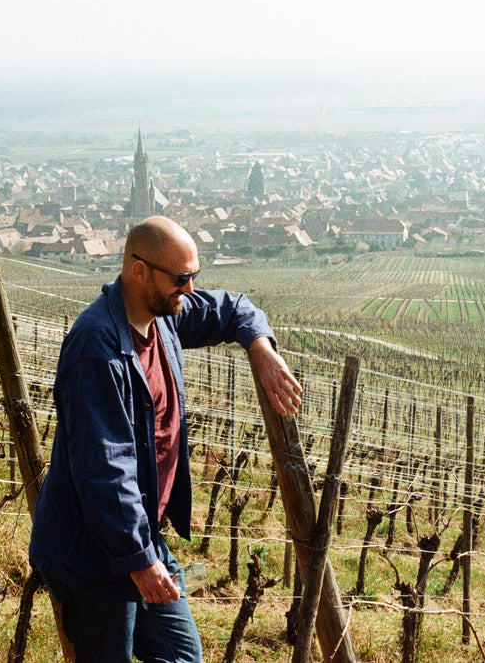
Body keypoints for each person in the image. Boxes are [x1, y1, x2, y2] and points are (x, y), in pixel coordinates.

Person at [29, 215, 303, 662]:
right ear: (139, 270)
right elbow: (106, 471)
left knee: (181, 657)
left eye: (194, 276)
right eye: (180, 278)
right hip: (93, 555)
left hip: (138, 538)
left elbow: (234, 308)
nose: (189, 288)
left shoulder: (164, 316)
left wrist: (260, 347)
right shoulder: (96, 350)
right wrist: (141, 561)